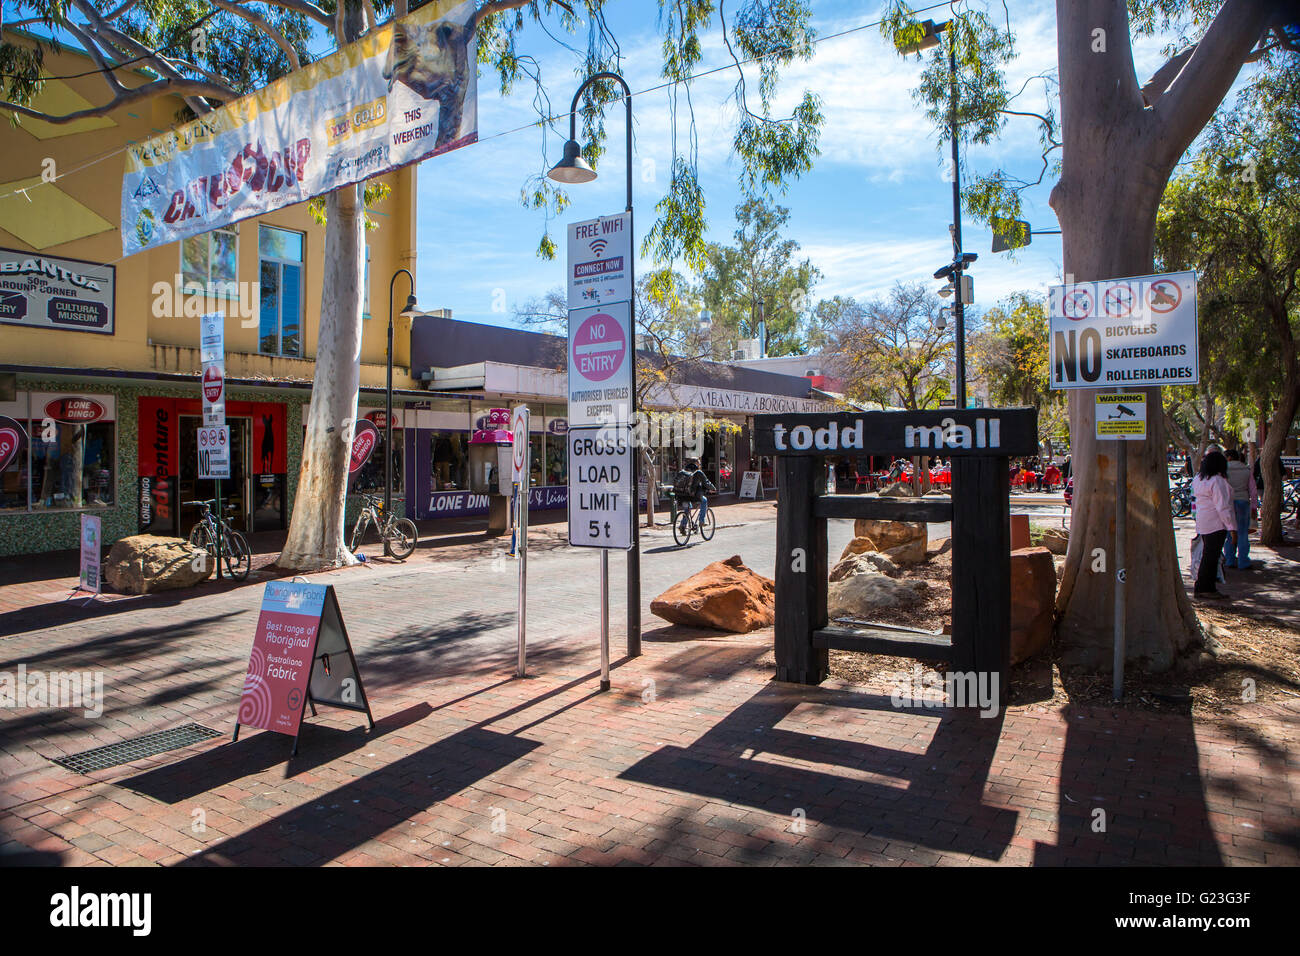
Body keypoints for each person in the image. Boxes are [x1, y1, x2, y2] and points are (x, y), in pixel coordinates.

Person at [1192, 450, 1236, 598]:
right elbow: (1223, 507)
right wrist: (1231, 528)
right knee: (1211, 556)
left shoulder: (1198, 479)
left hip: (1203, 522)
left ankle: (1204, 586)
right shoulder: (1217, 481)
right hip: (1216, 523)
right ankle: (1205, 587)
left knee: (1208, 555)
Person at [1224, 448, 1258, 570]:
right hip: (1243, 501)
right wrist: (1254, 507)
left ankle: (1229, 560)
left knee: (1229, 533)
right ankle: (1243, 561)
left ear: (1228, 457)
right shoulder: (1246, 470)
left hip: (1228, 503)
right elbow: (1253, 491)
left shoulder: (1223, 470)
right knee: (1243, 533)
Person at [673, 457, 715, 529]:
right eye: (699, 463)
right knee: (704, 501)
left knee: (688, 507)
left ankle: (683, 525)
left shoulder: (682, 471)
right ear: (696, 464)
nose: (700, 465)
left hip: (680, 495)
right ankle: (701, 520)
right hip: (692, 495)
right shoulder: (698, 472)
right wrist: (713, 489)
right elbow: (706, 483)